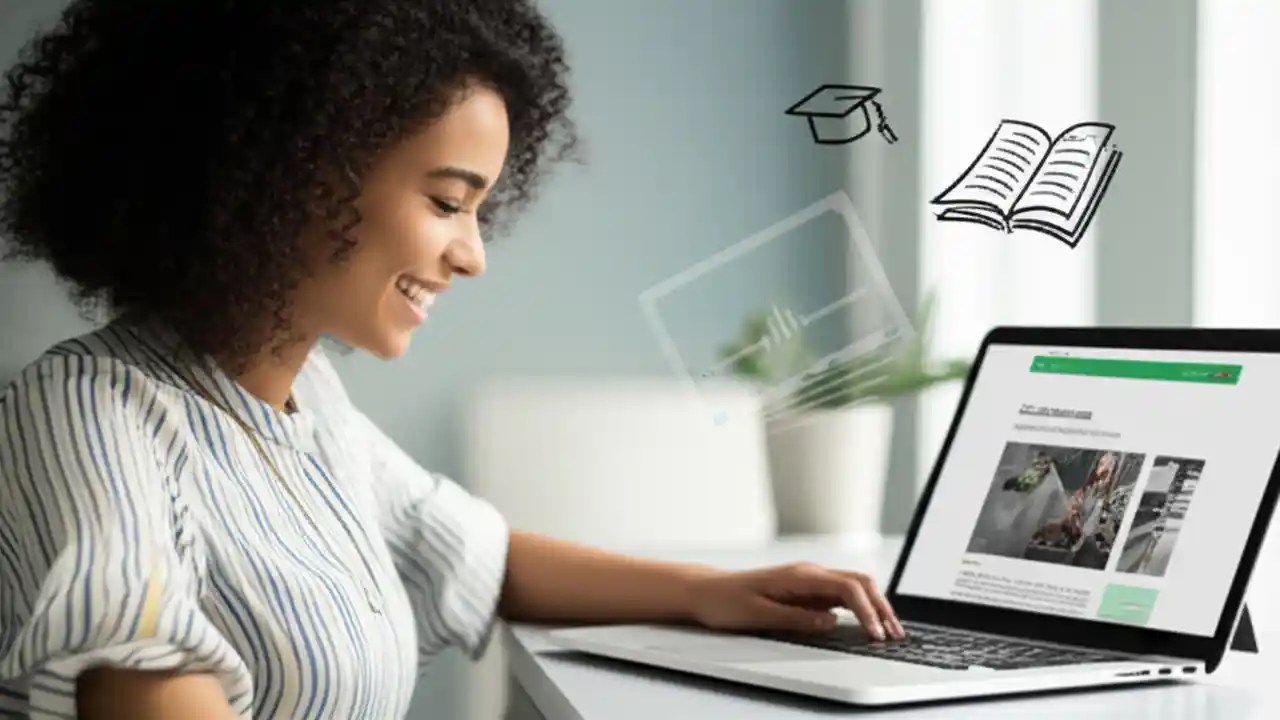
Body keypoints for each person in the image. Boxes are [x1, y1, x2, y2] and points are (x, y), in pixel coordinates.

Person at [0, 2, 904, 718]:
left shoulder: (306, 402)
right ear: (289, 172)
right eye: (446, 202)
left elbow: (480, 555)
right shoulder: (88, 410)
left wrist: (715, 592)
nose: (473, 254)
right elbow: (135, 663)